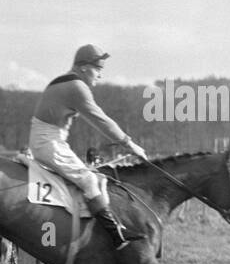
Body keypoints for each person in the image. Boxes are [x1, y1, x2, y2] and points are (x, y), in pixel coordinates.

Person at [29, 45, 147, 250]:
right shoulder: (76, 87)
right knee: (90, 180)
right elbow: (101, 121)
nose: (100, 75)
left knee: (96, 178)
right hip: (48, 142)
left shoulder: (65, 81)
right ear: (83, 68)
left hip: (48, 139)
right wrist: (130, 144)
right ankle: (117, 237)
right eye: (98, 68)